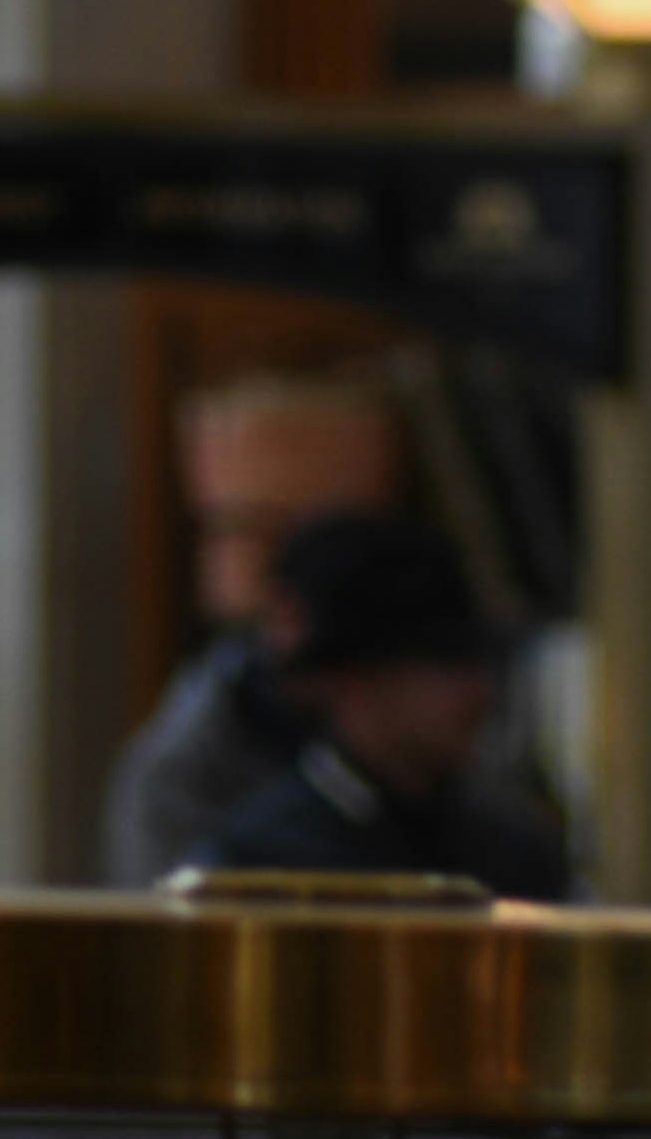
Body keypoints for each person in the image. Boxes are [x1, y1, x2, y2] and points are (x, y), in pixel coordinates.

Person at [99, 356, 437, 885]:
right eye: (248, 529)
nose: (287, 568)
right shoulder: (185, 774)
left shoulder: (448, 733)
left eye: (326, 531)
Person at [191, 513, 578, 899]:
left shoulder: (514, 853)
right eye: (444, 662)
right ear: (353, 680)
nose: (480, 693)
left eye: (480, 663)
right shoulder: (259, 867)